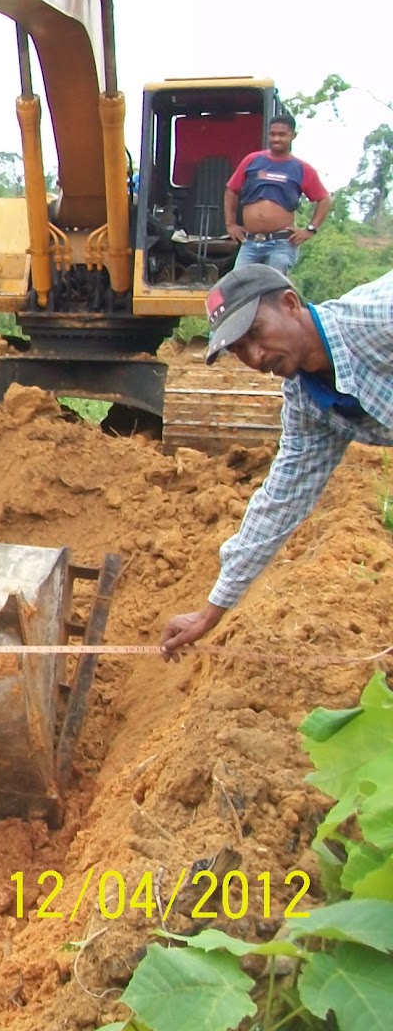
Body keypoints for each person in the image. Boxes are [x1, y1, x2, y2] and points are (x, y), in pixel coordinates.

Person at [161, 265, 393, 658]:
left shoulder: (377, 319)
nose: (255, 356)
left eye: (254, 333)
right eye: (239, 350)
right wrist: (209, 613)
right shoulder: (307, 402)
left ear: (289, 304)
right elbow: (281, 501)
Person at [224, 112, 332, 276]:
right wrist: (230, 224)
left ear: (293, 135)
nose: (276, 139)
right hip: (250, 242)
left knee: (273, 290)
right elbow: (231, 190)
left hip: (280, 244)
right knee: (238, 285)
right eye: (272, 134)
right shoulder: (252, 161)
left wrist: (310, 229)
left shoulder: (301, 168)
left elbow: (324, 199)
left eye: (282, 135)